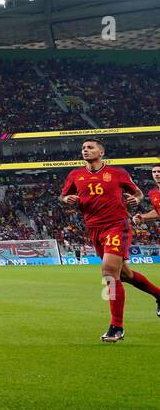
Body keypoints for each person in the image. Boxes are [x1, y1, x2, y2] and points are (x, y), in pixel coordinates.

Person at [61, 139, 159, 341]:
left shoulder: (118, 173)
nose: (85, 151)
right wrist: (67, 199)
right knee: (123, 274)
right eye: (83, 148)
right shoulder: (75, 175)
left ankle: (117, 326)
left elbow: (138, 193)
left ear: (101, 152)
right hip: (94, 229)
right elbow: (64, 196)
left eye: (90, 147)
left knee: (108, 272)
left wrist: (136, 199)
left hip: (117, 225)